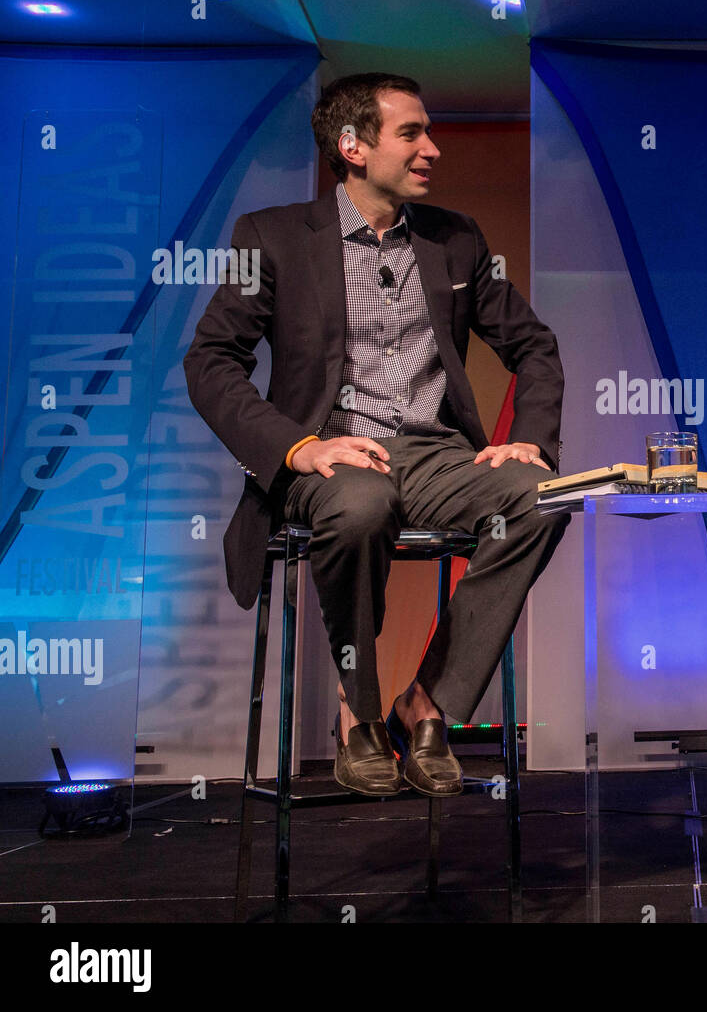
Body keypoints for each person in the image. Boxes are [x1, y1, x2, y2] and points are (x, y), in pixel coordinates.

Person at [185, 72, 567, 797]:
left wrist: (534, 441)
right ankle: (357, 715)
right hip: (330, 452)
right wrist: (297, 448)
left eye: (430, 132)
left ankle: (426, 704)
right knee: (360, 506)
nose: (433, 149)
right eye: (412, 134)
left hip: (434, 453)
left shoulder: (456, 240)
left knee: (543, 496)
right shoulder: (267, 236)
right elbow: (210, 362)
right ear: (353, 147)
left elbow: (535, 346)